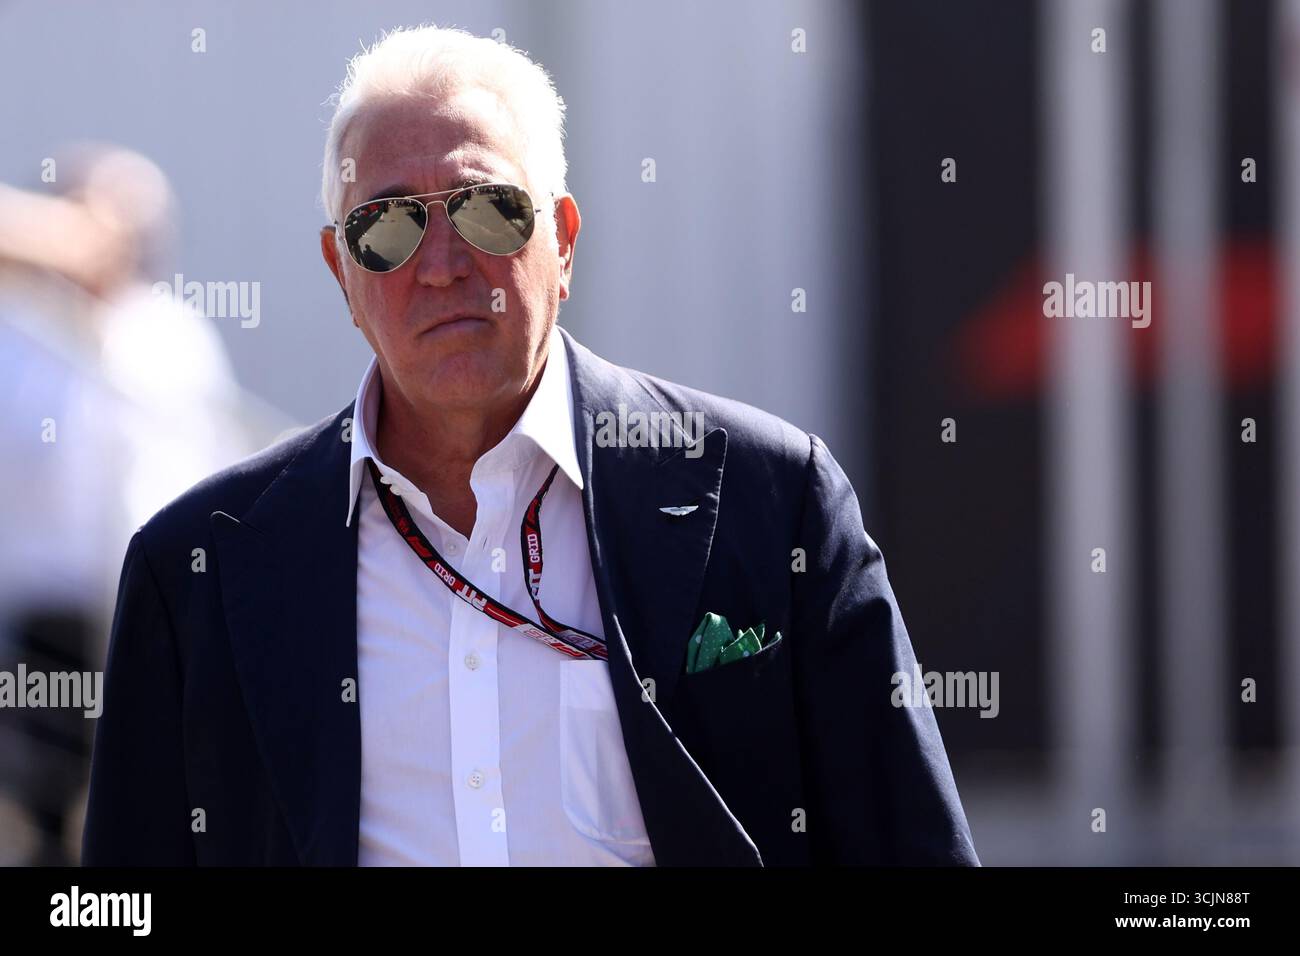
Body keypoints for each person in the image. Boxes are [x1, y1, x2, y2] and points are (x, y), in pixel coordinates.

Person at [82, 24, 978, 866]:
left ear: (565, 241)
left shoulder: (773, 499)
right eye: (386, 228)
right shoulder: (195, 567)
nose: (441, 264)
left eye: (488, 211)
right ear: (341, 274)